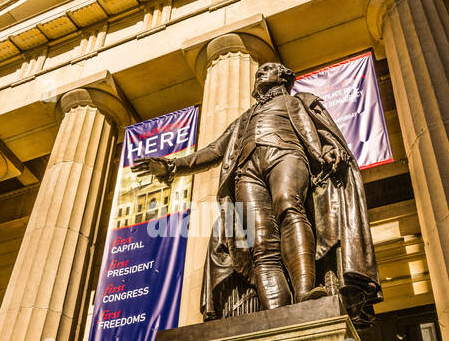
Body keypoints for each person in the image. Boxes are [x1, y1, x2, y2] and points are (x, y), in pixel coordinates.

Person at [133, 61, 381, 325]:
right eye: (259, 71)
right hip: (246, 172)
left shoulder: (301, 101)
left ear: (283, 77)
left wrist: (330, 148)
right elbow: (214, 151)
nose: (260, 73)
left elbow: (326, 133)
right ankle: (276, 312)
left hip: (286, 153)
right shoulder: (243, 120)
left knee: (289, 206)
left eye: (267, 69)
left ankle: (305, 295)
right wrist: (171, 165)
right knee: (260, 242)